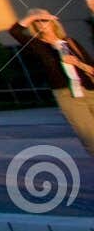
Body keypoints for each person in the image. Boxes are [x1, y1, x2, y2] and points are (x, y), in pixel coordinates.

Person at [8, 9, 94, 157]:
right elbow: (15, 31)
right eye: (38, 21)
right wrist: (34, 16)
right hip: (69, 97)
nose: (42, 23)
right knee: (91, 138)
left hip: (90, 91)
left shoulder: (70, 42)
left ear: (53, 21)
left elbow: (91, 68)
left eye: (45, 19)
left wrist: (78, 63)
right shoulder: (37, 46)